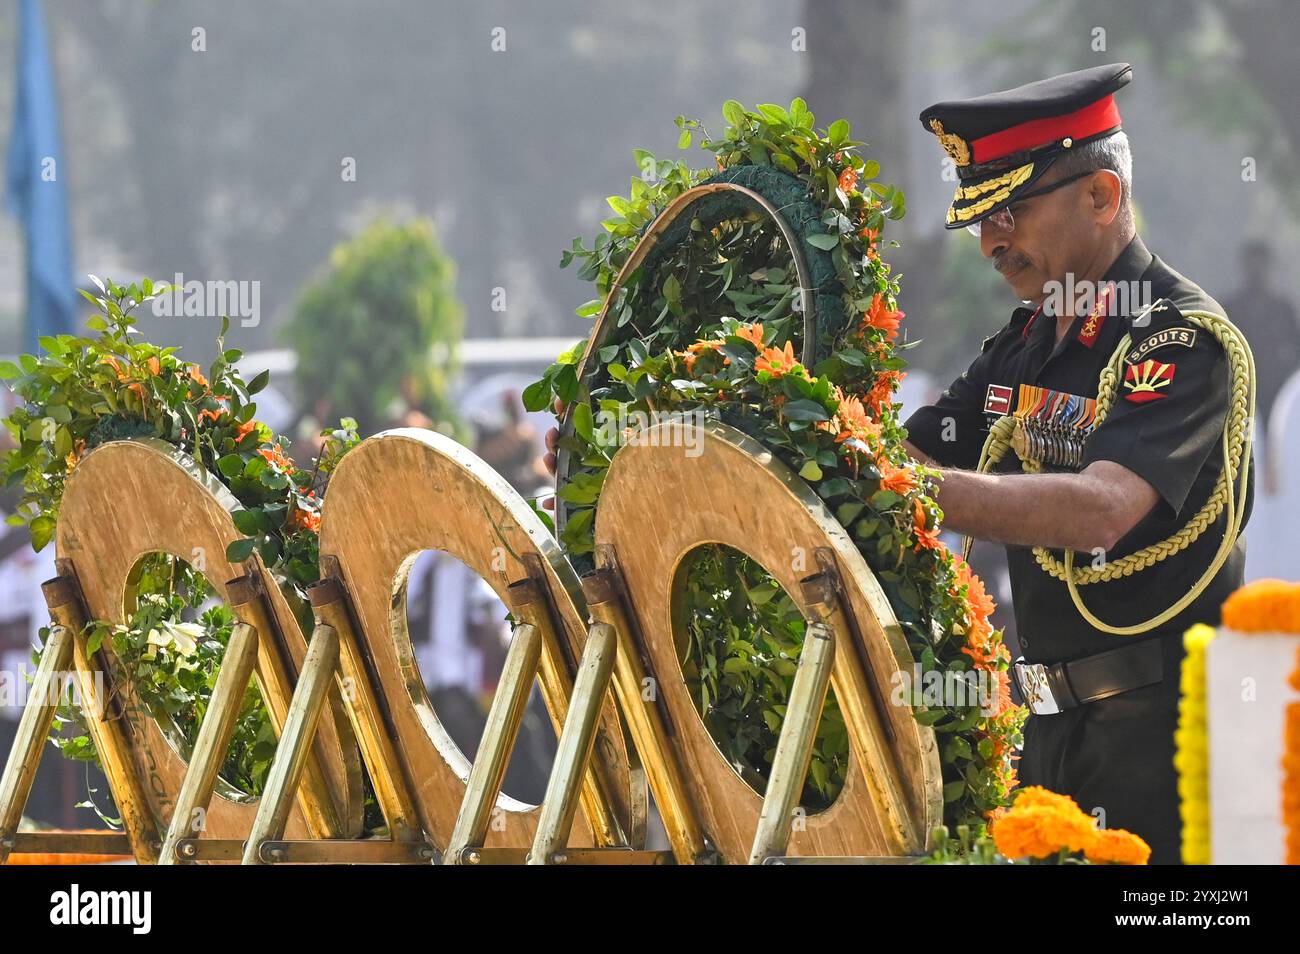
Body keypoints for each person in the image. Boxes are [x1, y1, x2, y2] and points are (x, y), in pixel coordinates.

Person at [902, 63, 1252, 863]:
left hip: (1163, 742)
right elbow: (917, 452)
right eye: (980, 217)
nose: (990, 242)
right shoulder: (1028, 342)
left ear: (1101, 196)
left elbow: (1102, 508)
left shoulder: (1179, 337)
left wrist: (903, 490)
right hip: (1048, 735)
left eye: (1010, 212)